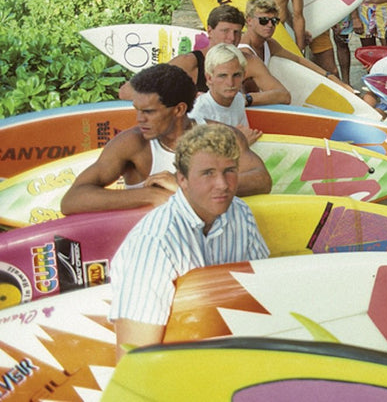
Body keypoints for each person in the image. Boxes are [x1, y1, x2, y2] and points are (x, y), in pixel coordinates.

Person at [109, 123, 270, 358]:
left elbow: (263, 293)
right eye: (208, 173)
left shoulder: (240, 213)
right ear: (181, 180)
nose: (223, 185)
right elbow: (134, 359)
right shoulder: (157, 243)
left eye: (229, 170)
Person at [62, 64, 272, 215]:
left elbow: (261, 180)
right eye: (138, 110)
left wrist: (186, 186)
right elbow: (72, 200)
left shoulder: (220, 136)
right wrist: (150, 196)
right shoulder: (133, 144)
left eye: (149, 112)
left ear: (179, 109)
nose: (139, 119)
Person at [117, 5, 291, 107]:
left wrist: (242, 99)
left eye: (237, 33)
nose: (231, 39)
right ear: (209, 31)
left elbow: (283, 95)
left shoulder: (247, 60)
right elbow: (126, 92)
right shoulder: (189, 62)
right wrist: (187, 97)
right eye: (225, 31)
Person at [239, 0, 354, 93]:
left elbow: (299, 60)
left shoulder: (269, 44)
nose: (270, 25)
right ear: (249, 21)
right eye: (263, 20)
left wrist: (330, 77)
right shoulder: (245, 52)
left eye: (274, 21)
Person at [191, 43, 261, 144]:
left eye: (236, 75)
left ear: (244, 76)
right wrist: (239, 143)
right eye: (222, 76)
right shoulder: (199, 111)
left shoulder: (238, 99)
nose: (230, 83)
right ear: (209, 78)